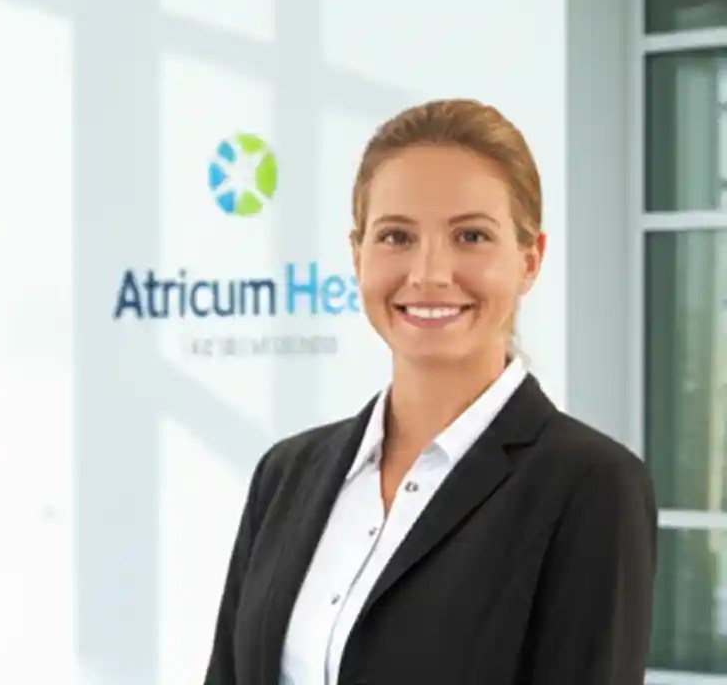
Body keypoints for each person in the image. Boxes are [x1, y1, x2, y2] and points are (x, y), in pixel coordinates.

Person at [203, 99, 657, 685]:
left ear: (530, 259)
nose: (429, 273)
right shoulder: (287, 473)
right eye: (396, 236)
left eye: (470, 236)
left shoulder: (590, 485)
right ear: (356, 254)